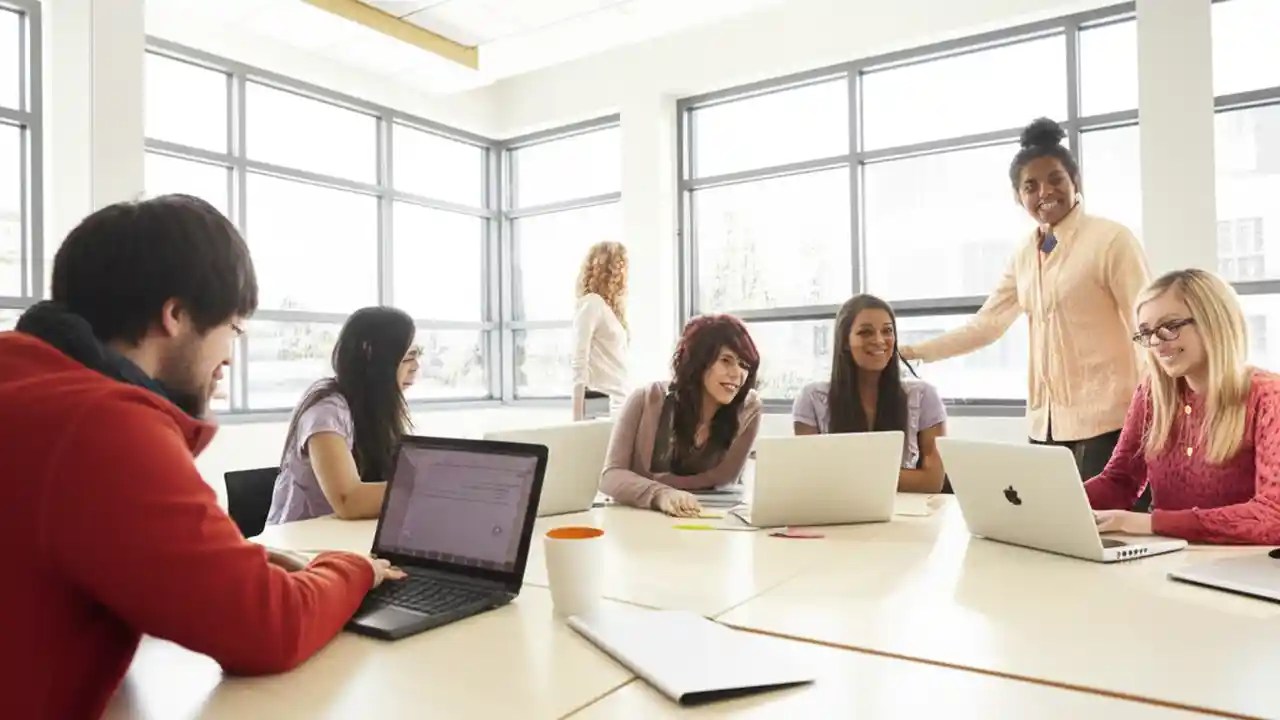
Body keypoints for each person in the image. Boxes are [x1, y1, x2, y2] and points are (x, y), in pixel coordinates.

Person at [0, 195, 400, 720]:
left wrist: (235, 563)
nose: (229, 357)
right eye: (233, 328)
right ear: (176, 315)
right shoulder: (98, 424)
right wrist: (354, 569)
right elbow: (270, 629)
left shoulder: (28, 386)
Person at [899, 117, 1151, 501]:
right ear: (1019, 197)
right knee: (1051, 535)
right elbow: (987, 324)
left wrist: (1155, 407)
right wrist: (915, 351)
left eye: (1055, 180)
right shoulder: (1026, 253)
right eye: (1030, 186)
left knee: (1107, 539)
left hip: (1110, 423)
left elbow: (1145, 325)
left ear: (1075, 182)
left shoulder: (1110, 240)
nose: (1044, 192)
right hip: (1045, 426)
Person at [1086, 270, 1280, 544]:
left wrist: (1151, 523)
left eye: (1170, 326)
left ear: (1213, 323)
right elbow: (1120, 482)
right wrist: (1054, 501)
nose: (1155, 342)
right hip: (1167, 556)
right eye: (1146, 332)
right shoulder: (1153, 394)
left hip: (1243, 565)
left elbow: (1273, 518)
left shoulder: (1268, 396)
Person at [267, 306, 420, 524]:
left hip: (345, 539)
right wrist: (427, 489)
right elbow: (349, 500)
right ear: (371, 354)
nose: (416, 367)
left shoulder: (377, 408)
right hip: (303, 545)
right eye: (408, 357)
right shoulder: (326, 410)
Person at [601, 314, 762, 517]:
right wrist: (661, 494)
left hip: (707, 521)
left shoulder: (748, 409)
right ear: (698, 362)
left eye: (744, 365)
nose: (737, 373)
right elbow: (610, 476)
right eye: (726, 360)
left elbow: (726, 484)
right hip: (640, 520)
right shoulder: (646, 399)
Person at [793, 294, 948, 493]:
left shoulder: (924, 396)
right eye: (865, 332)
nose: (879, 340)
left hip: (905, 514)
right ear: (845, 341)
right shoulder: (812, 398)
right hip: (839, 512)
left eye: (887, 331)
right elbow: (810, 477)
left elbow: (932, 481)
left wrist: (847, 475)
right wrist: (893, 477)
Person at [572, 240, 630, 420]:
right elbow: (579, 361)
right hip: (601, 405)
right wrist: (577, 419)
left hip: (620, 401)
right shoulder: (591, 304)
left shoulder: (609, 310)